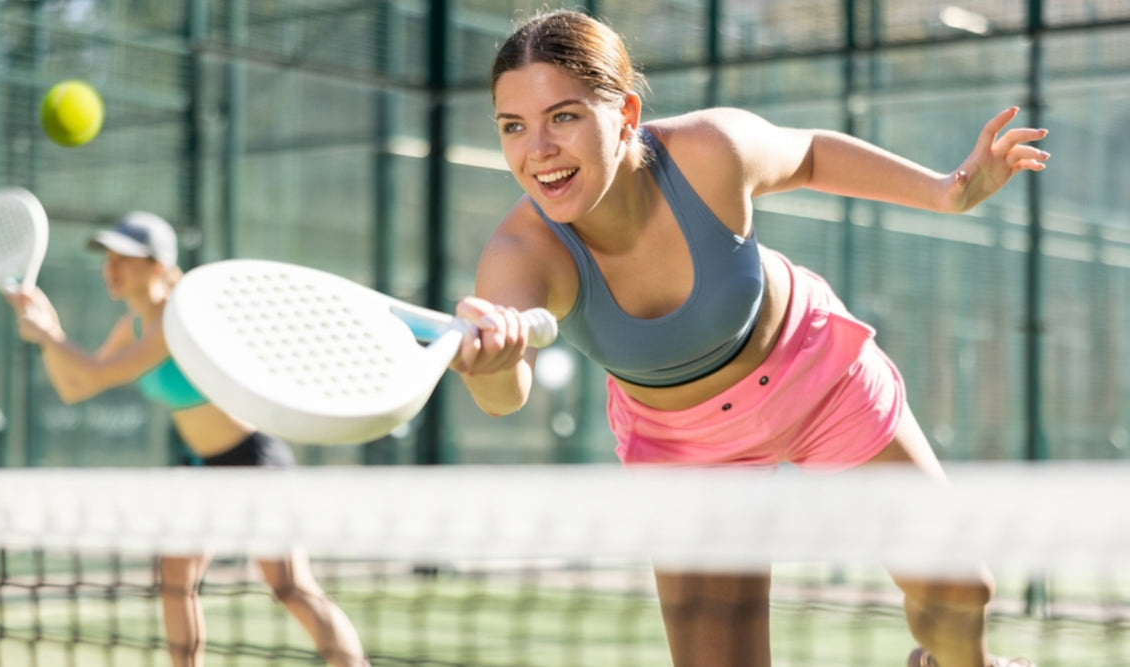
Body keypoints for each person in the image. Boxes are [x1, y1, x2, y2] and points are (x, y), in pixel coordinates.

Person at [448, 9, 1048, 667]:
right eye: (514, 126)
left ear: (624, 114)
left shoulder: (709, 152)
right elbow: (505, 397)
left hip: (819, 376)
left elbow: (813, 153)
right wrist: (491, 365)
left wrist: (947, 193)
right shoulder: (521, 252)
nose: (538, 150)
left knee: (960, 591)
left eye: (562, 116)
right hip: (687, 449)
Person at [6, 212, 370, 667]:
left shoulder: (179, 317)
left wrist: (51, 334)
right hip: (207, 469)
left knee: (290, 588)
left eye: (125, 259)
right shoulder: (131, 326)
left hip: (254, 465)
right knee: (176, 576)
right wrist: (45, 337)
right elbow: (76, 386)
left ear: (158, 266)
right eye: (108, 259)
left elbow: (101, 371)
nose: (111, 269)